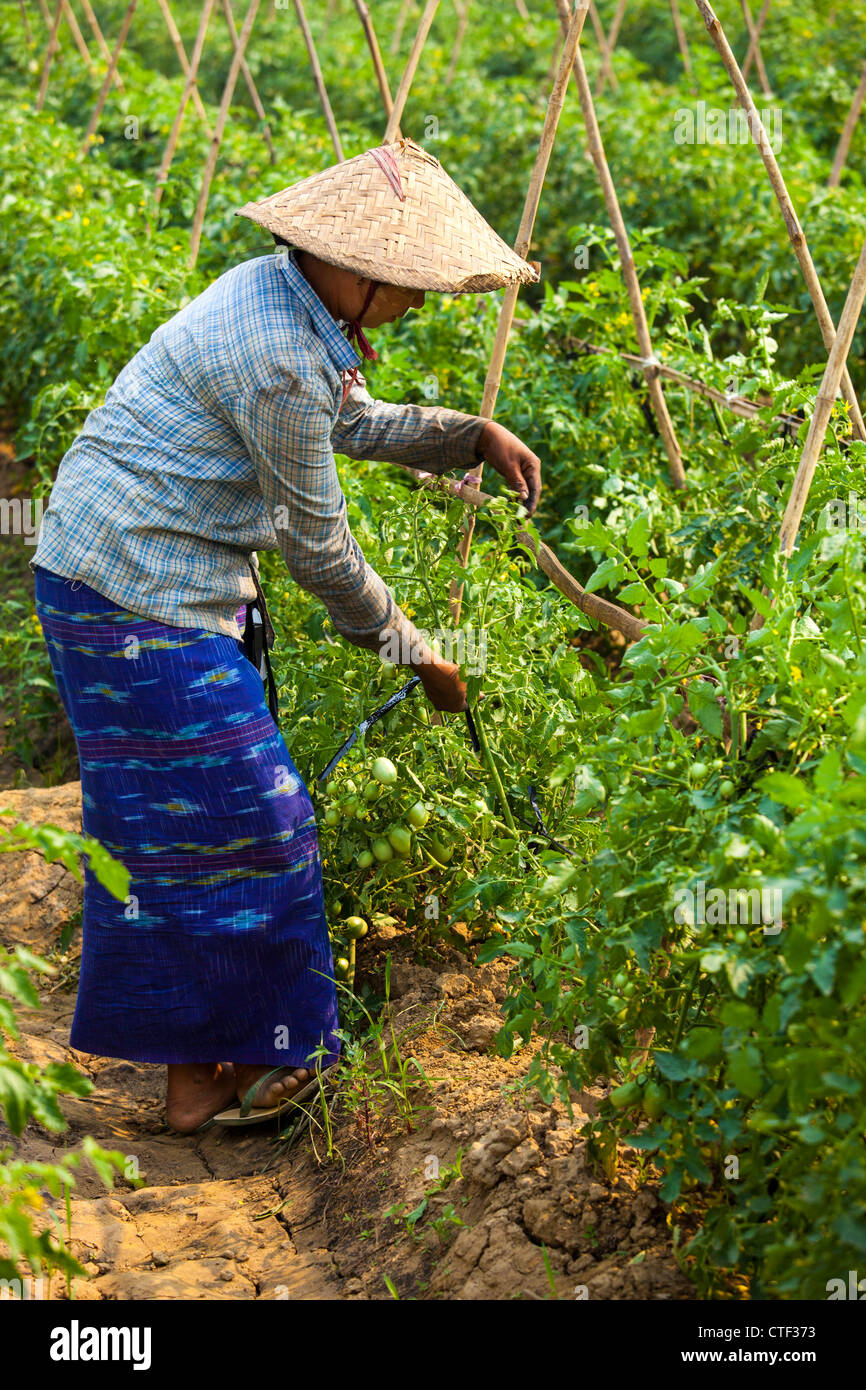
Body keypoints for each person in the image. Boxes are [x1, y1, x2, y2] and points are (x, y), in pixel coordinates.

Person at [31, 138, 542, 1132]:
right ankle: (253, 1059)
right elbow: (321, 551)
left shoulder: (285, 300)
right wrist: (416, 650)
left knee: (185, 825)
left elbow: (347, 420)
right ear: (351, 273)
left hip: (153, 576)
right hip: (128, 588)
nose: (420, 305)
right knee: (255, 821)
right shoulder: (276, 356)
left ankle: (197, 1079)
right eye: (409, 288)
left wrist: (463, 433)